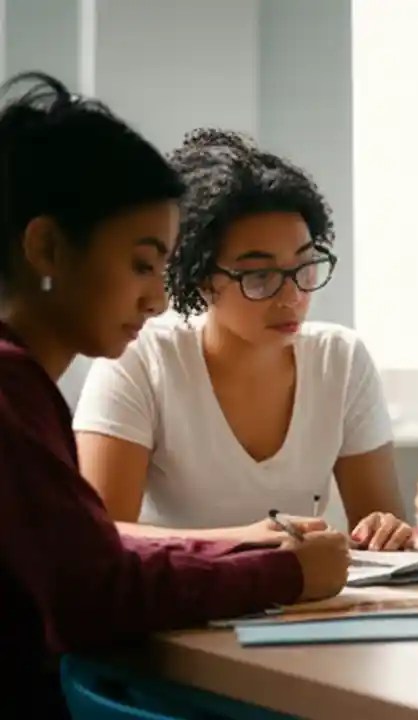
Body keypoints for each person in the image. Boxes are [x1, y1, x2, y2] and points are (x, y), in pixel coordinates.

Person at [0, 72, 348, 717]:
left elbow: (86, 553)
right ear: (47, 247)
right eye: (140, 264)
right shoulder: (10, 389)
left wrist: (244, 547)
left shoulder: (23, 386)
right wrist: (286, 573)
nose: (158, 300)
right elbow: (95, 594)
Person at [73, 128, 413, 551]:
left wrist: (385, 531)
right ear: (201, 280)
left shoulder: (341, 359)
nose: (292, 297)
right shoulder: (141, 360)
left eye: (305, 267)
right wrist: (245, 544)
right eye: (260, 276)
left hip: (306, 593)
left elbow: (385, 546)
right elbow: (98, 535)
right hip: (177, 591)